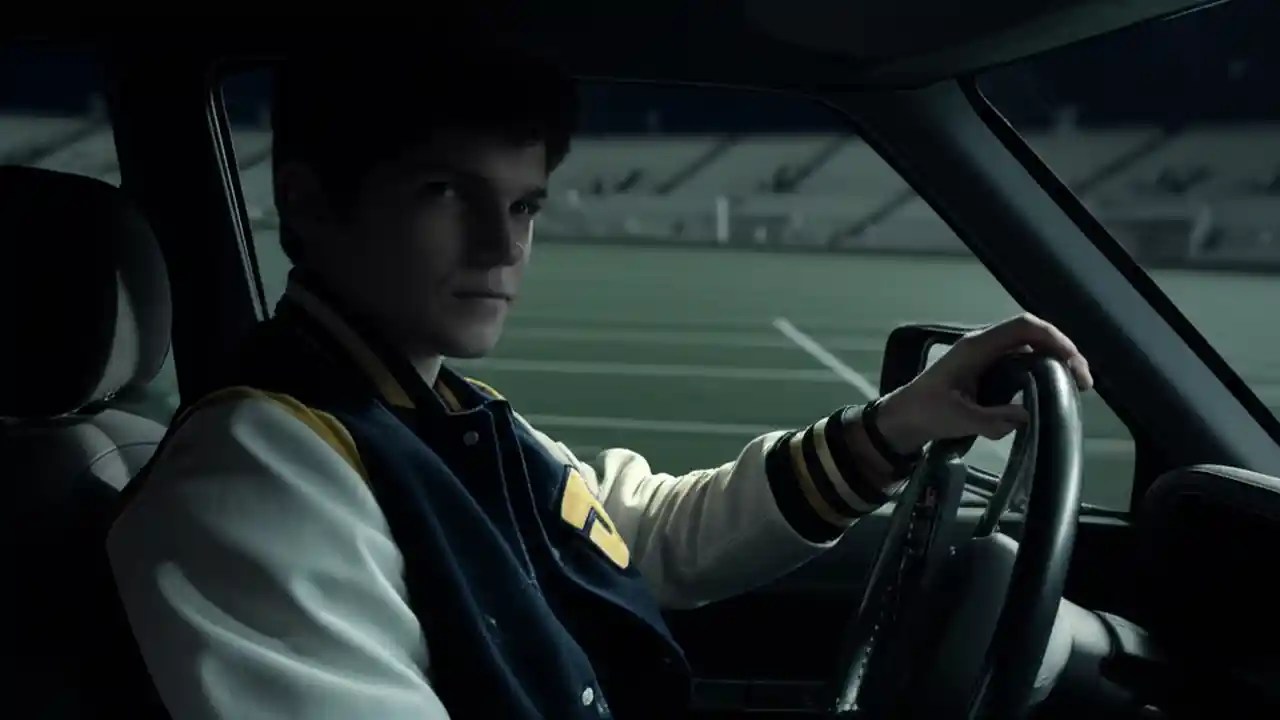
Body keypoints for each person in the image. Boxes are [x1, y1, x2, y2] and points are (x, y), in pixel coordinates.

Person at [106, 44, 1093, 720]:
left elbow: (650, 536)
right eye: (446, 195)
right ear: (308, 203)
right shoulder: (256, 476)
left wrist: (896, 427)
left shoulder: (439, 417)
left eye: (525, 204)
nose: (503, 249)